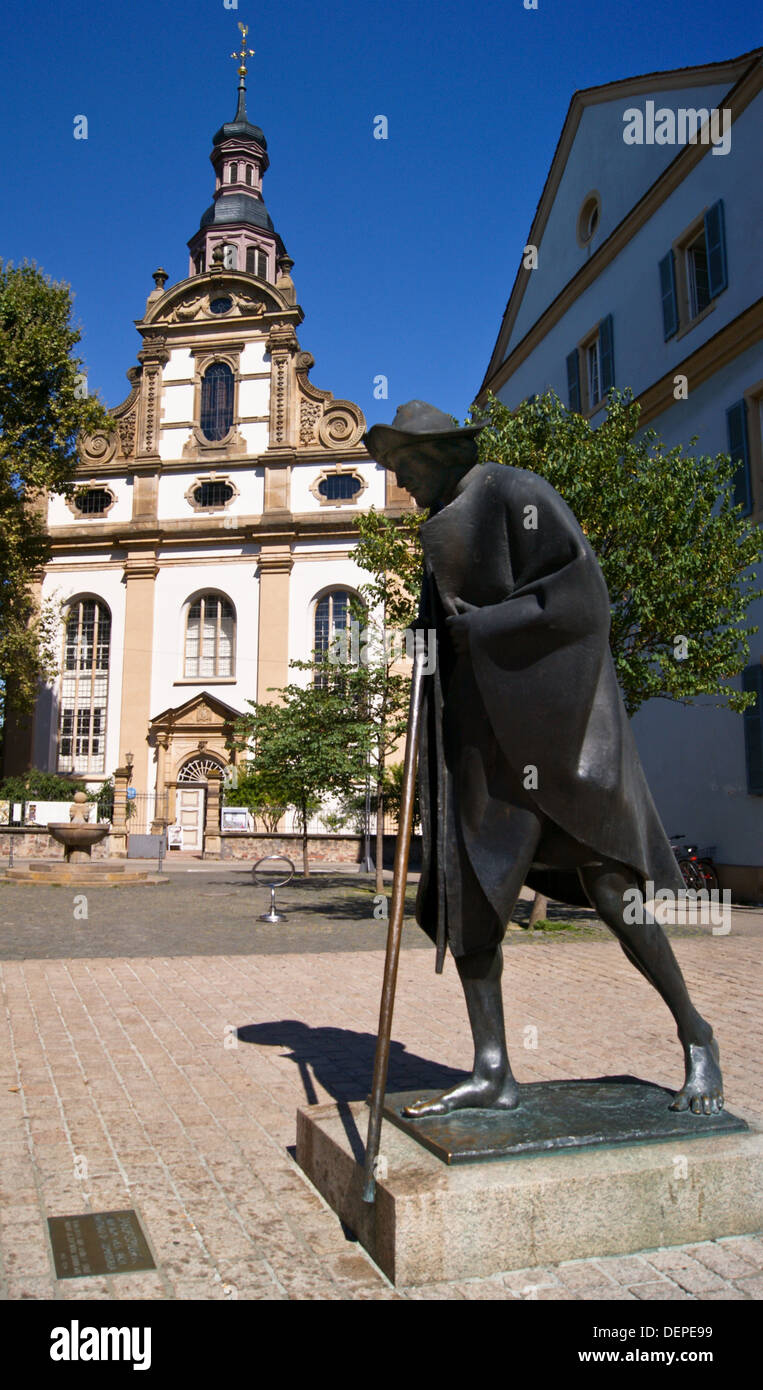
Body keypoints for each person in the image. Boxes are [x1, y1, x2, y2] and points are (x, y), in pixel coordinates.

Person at [363, 401, 724, 1118]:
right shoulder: (440, 521)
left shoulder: (513, 492)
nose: (400, 485)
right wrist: (425, 638)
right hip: (479, 740)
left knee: (614, 890)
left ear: (433, 455)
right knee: (470, 898)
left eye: (403, 467)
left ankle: (696, 1034)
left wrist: (482, 628)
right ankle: (492, 1068)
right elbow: (448, 627)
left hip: (555, 734)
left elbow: (581, 599)